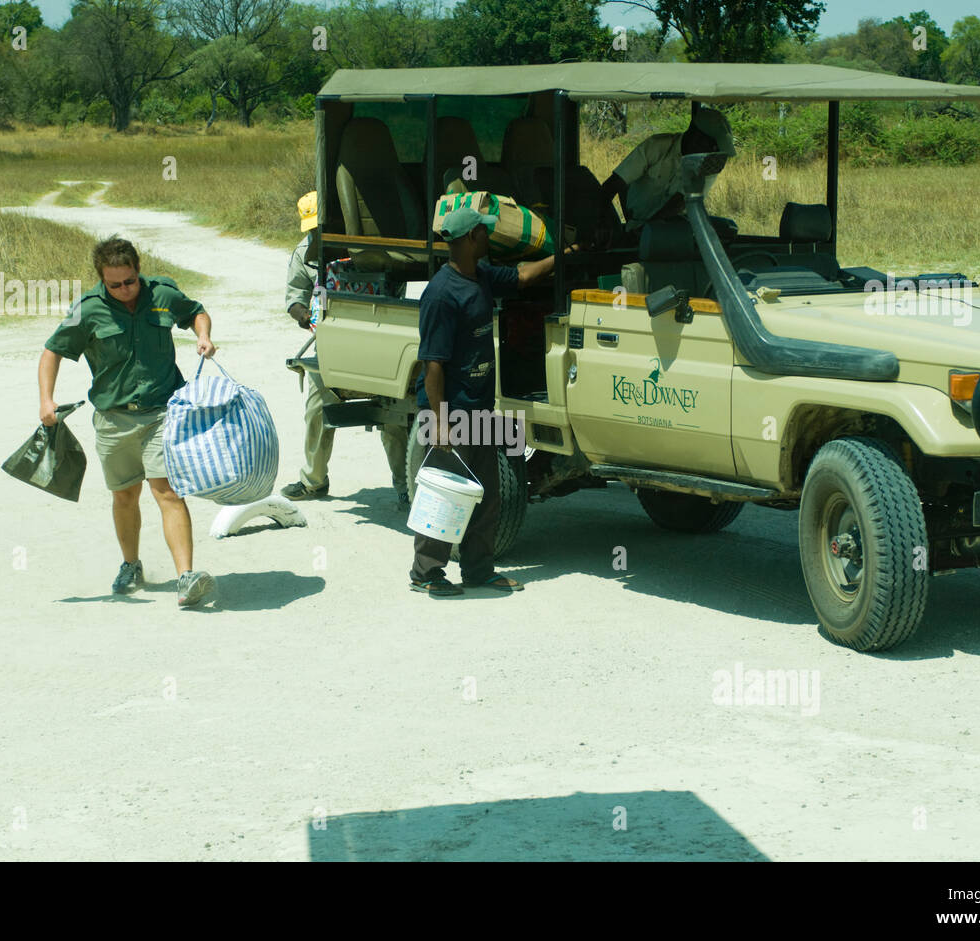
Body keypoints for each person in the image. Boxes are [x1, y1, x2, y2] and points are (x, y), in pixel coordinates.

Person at [38, 236, 218, 608]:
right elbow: (52, 351)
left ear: (139, 271)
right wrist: (46, 400)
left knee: (166, 491)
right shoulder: (87, 309)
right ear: (102, 280)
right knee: (124, 495)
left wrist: (203, 335)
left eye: (130, 281)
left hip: (163, 412)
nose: (124, 290)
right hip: (113, 419)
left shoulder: (163, 294)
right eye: (114, 284)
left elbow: (196, 311)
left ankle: (186, 577)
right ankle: (131, 565)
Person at [409, 206, 579, 597]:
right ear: (470, 239)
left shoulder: (481, 276)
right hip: (451, 413)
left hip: (480, 409)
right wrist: (439, 423)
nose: (490, 237)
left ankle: (479, 570)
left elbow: (522, 276)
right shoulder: (441, 294)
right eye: (484, 233)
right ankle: (426, 572)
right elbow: (432, 365)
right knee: (447, 492)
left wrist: (564, 257)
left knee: (486, 493)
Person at [279, 190, 410, 504]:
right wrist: (307, 318)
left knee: (393, 413)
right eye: (311, 230)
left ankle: (406, 485)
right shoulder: (304, 252)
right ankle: (313, 482)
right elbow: (295, 298)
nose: (316, 234)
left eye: (320, 228)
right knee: (316, 408)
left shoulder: (369, 244)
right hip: (330, 342)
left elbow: (395, 289)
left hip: (378, 340)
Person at [599, 106, 735, 231]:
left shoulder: (706, 165)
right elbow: (615, 183)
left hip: (672, 230)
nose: (713, 153)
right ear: (695, 136)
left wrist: (646, 231)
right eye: (711, 146)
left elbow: (677, 204)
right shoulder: (657, 146)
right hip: (637, 224)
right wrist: (603, 225)